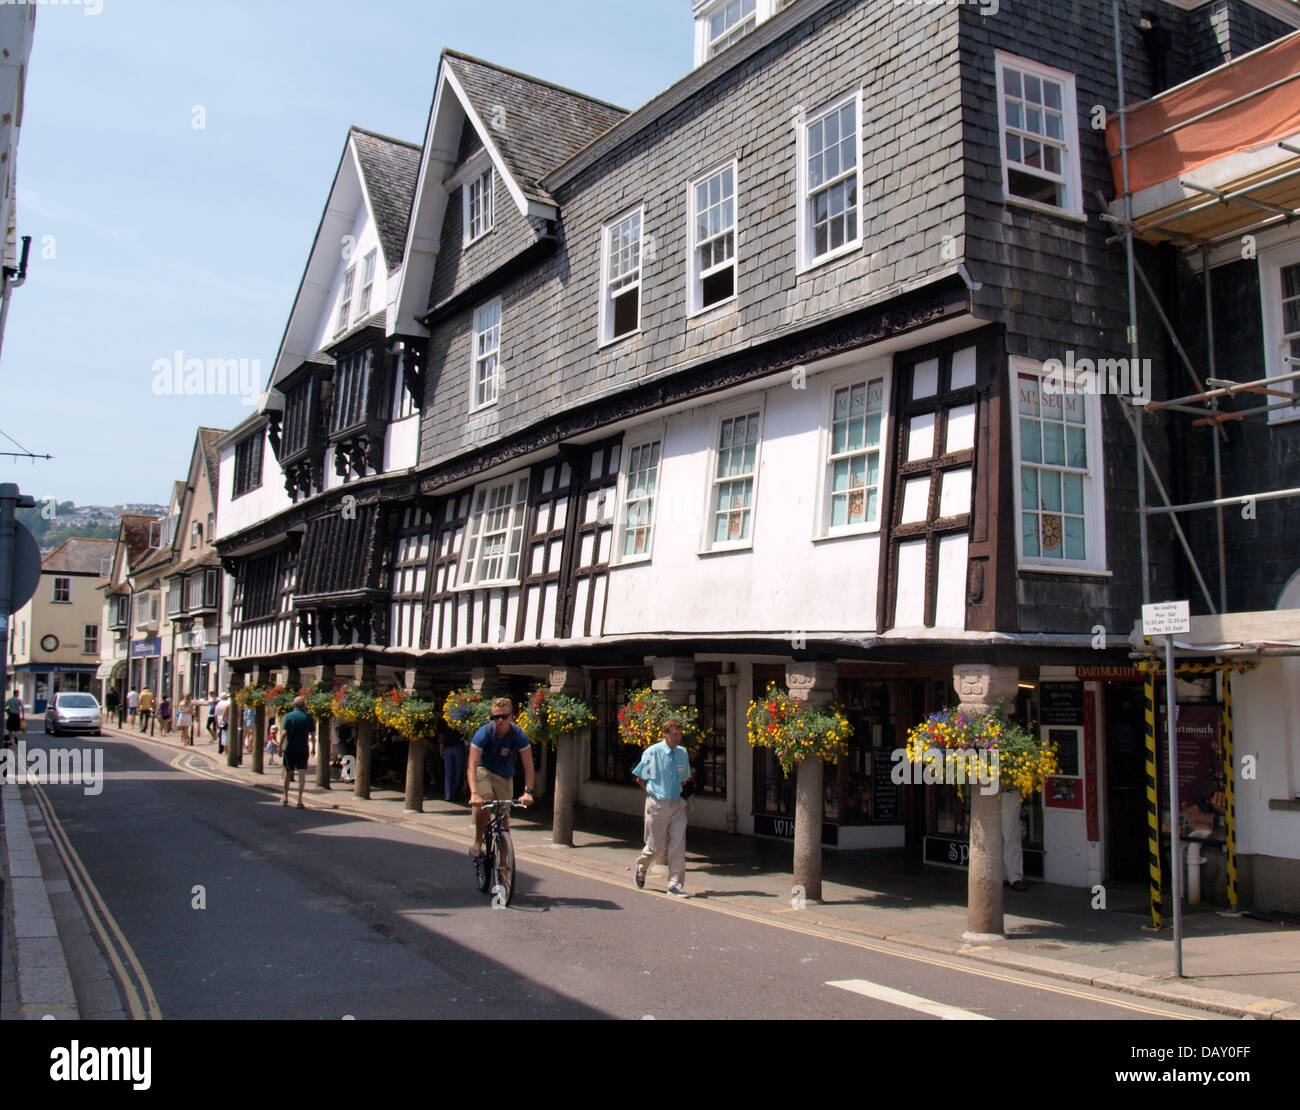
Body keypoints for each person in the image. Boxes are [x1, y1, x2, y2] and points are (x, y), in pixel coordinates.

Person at [631, 716, 694, 897]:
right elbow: (640, 779)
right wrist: (654, 794)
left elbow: (685, 779)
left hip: (676, 805)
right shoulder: (652, 752)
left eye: (679, 735)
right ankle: (642, 867)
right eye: (674, 734)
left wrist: (683, 799)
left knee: (678, 846)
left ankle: (675, 884)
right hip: (657, 804)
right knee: (655, 846)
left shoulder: (682, 753)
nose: (677, 738)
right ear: (665, 734)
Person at [467, 698, 534, 859]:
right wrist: (474, 793)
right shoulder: (483, 733)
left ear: (512, 716)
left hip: (504, 775)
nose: (500, 720)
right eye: (495, 717)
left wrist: (528, 792)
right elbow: (472, 765)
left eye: (504, 716)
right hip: (484, 770)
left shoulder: (518, 734)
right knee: (487, 800)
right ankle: (477, 842)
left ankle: (504, 865)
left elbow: (529, 765)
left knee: (504, 822)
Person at [280, 696, 315, 808]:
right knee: (302, 774)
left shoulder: (289, 716)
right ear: (304, 705)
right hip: (303, 749)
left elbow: (284, 733)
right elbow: (313, 735)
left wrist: (280, 746)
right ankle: (299, 800)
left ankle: (285, 797)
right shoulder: (308, 717)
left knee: (288, 772)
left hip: (290, 748)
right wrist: (313, 747)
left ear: (293, 705)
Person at [1002, 789, 1026, 891]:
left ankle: (1014, 876)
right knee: (992, 837)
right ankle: (999, 875)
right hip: (986, 792)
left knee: (1010, 835)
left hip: (1008, 792)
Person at [440, 723, 466, 804]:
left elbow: (441, 738)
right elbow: (441, 737)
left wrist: (441, 749)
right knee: (455, 772)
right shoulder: (459, 722)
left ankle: (450, 794)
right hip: (454, 747)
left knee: (451, 772)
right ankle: (451, 794)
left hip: (452, 747)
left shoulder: (447, 723)